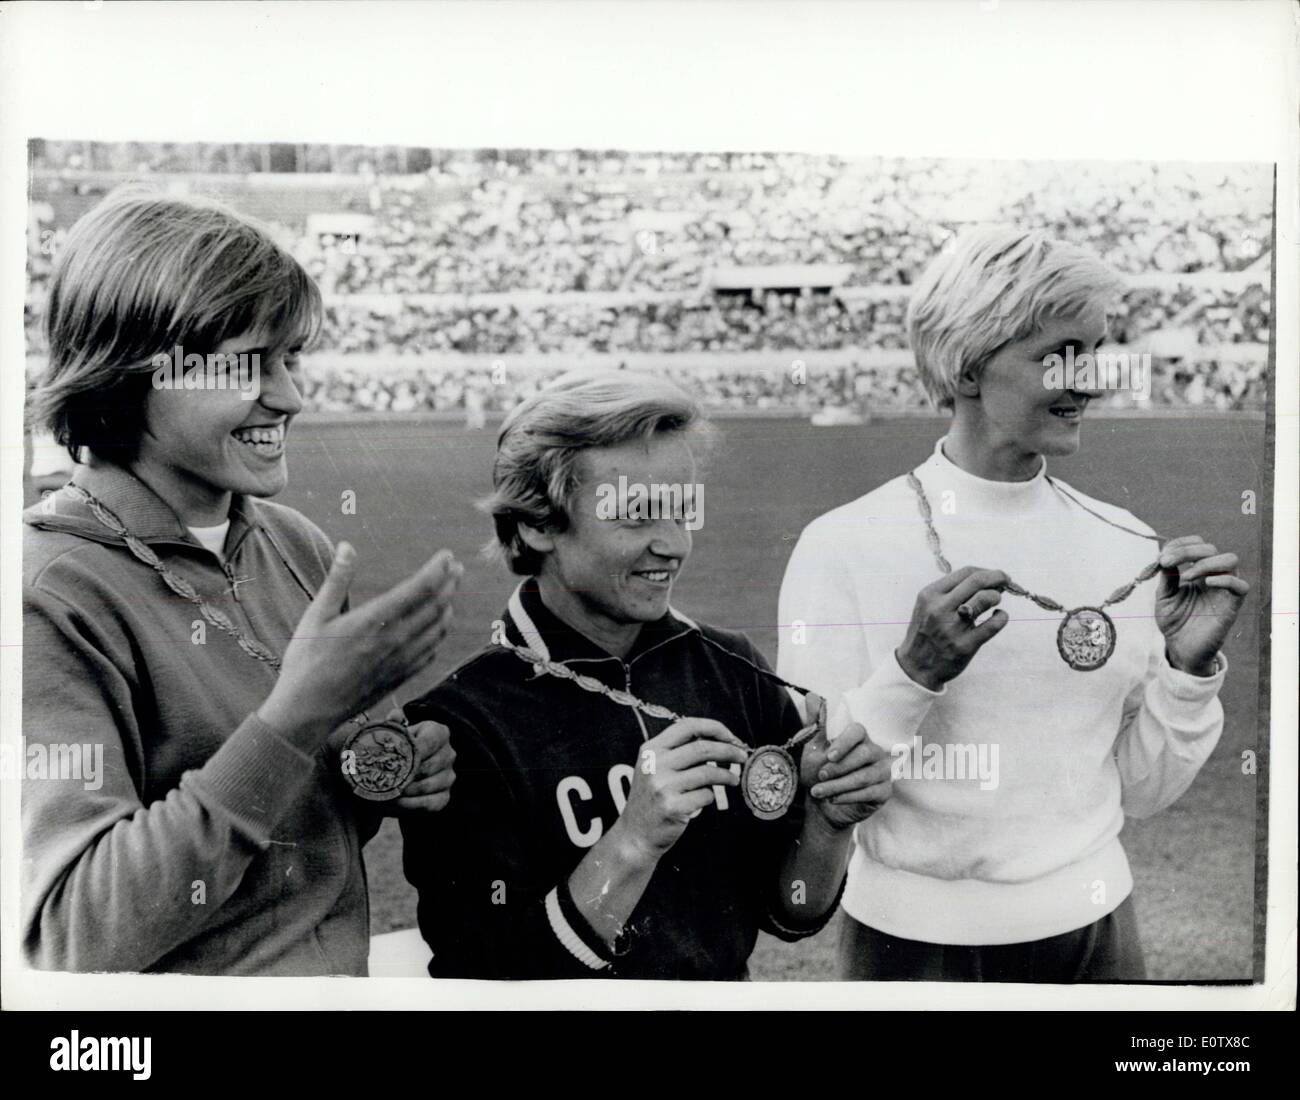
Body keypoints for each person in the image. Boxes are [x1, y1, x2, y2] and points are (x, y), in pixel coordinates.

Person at [778, 226, 1249, 982]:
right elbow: (820, 787)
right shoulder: (843, 546)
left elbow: (1140, 789)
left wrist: (1188, 676)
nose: (1089, 379)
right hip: (908, 948)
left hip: (1095, 934)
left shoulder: (1129, 545)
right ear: (967, 365)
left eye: (1094, 351)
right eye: (1060, 354)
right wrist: (913, 674)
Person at [22, 190, 461, 975]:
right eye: (250, 365)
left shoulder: (297, 547)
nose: (292, 396)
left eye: (291, 359)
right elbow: (73, 936)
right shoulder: (47, 595)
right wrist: (294, 723)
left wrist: (382, 773)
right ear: (131, 376)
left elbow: (296, 845)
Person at [400, 370, 892, 979]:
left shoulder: (731, 668)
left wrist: (828, 823)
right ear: (537, 523)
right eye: (636, 516)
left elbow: (791, 912)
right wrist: (632, 841)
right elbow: (483, 973)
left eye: (682, 512)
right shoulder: (460, 725)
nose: (673, 544)